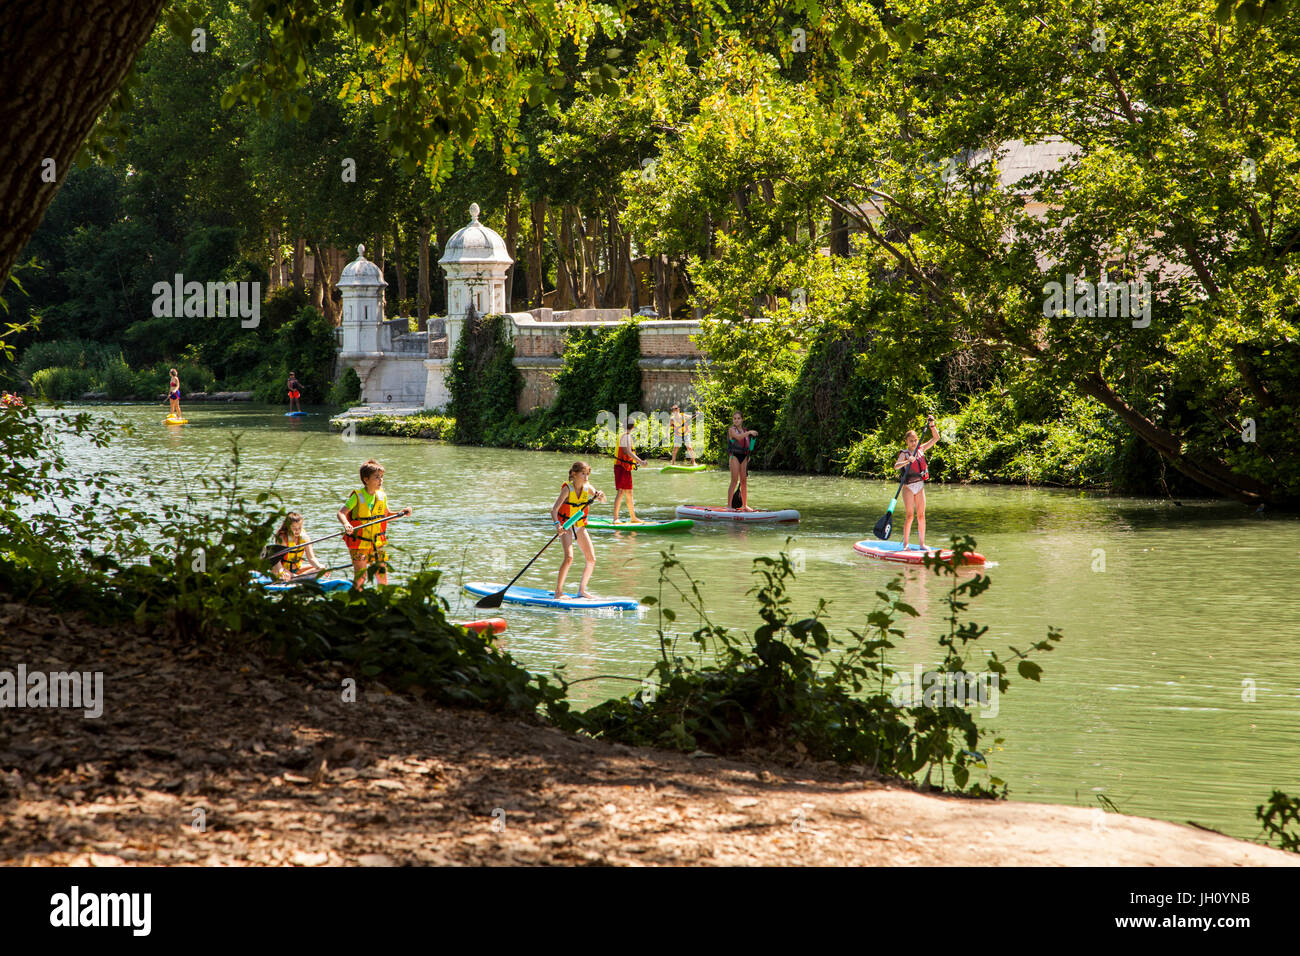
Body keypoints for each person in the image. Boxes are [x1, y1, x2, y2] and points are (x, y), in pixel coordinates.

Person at [336, 458, 412, 589]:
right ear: (366, 480)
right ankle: (356, 603)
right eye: (377, 477)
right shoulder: (357, 496)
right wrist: (346, 524)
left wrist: (401, 513)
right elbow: (341, 513)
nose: (380, 480)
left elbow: (386, 516)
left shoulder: (382, 495)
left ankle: (384, 603)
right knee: (361, 577)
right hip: (359, 543)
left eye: (382, 477)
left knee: (381, 573)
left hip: (376, 543)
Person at [551, 461, 606, 598]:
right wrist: (557, 525)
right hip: (566, 526)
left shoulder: (588, 488)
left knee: (591, 559)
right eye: (583, 474)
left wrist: (601, 495)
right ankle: (558, 592)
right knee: (569, 557)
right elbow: (553, 510)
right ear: (574, 474)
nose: (586, 477)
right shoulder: (567, 489)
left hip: (580, 526)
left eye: (587, 474)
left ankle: (581, 591)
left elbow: (603, 501)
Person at [893, 414, 941, 550]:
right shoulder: (904, 453)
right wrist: (908, 460)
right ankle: (906, 544)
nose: (914, 443)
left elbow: (936, 438)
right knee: (909, 516)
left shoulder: (921, 449)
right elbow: (896, 466)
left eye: (915, 440)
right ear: (907, 442)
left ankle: (921, 544)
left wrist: (932, 425)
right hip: (908, 487)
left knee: (921, 516)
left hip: (919, 486)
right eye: (911, 441)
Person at [269, 512, 324, 582]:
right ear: (288, 527)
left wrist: (319, 567)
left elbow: (311, 558)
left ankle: (296, 578)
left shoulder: (305, 538)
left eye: (299, 528)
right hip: (282, 569)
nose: (297, 530)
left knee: (322, 568)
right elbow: (276, 560)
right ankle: (298, 578)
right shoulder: (282, 539)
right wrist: (281, 571)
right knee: (283, 576)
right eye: (294, 528)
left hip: (296, 569)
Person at [611, 419, 645, 523]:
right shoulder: (625, 436)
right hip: (620, 467)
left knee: (629, 492)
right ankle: (616, 518)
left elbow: (627, 452)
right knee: (621, 492)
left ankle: (633, 517)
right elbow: (627, 451)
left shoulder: (625, 435)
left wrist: (635, 462)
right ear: (633, 427)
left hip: (625, 468)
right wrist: (641, 461)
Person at [726, 410, 758, 511]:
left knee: (743, 481)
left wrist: (748, 455)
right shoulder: (731, 430)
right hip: (734, 456)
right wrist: (749, 432)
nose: (736, 420)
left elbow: (749, 446)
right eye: (734, 418)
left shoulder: (745, 431)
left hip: (744, 457)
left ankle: (745, 505)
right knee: (734, 481)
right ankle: (729, 506)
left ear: (742, 419)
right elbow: (738, 437)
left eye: (738, 418)